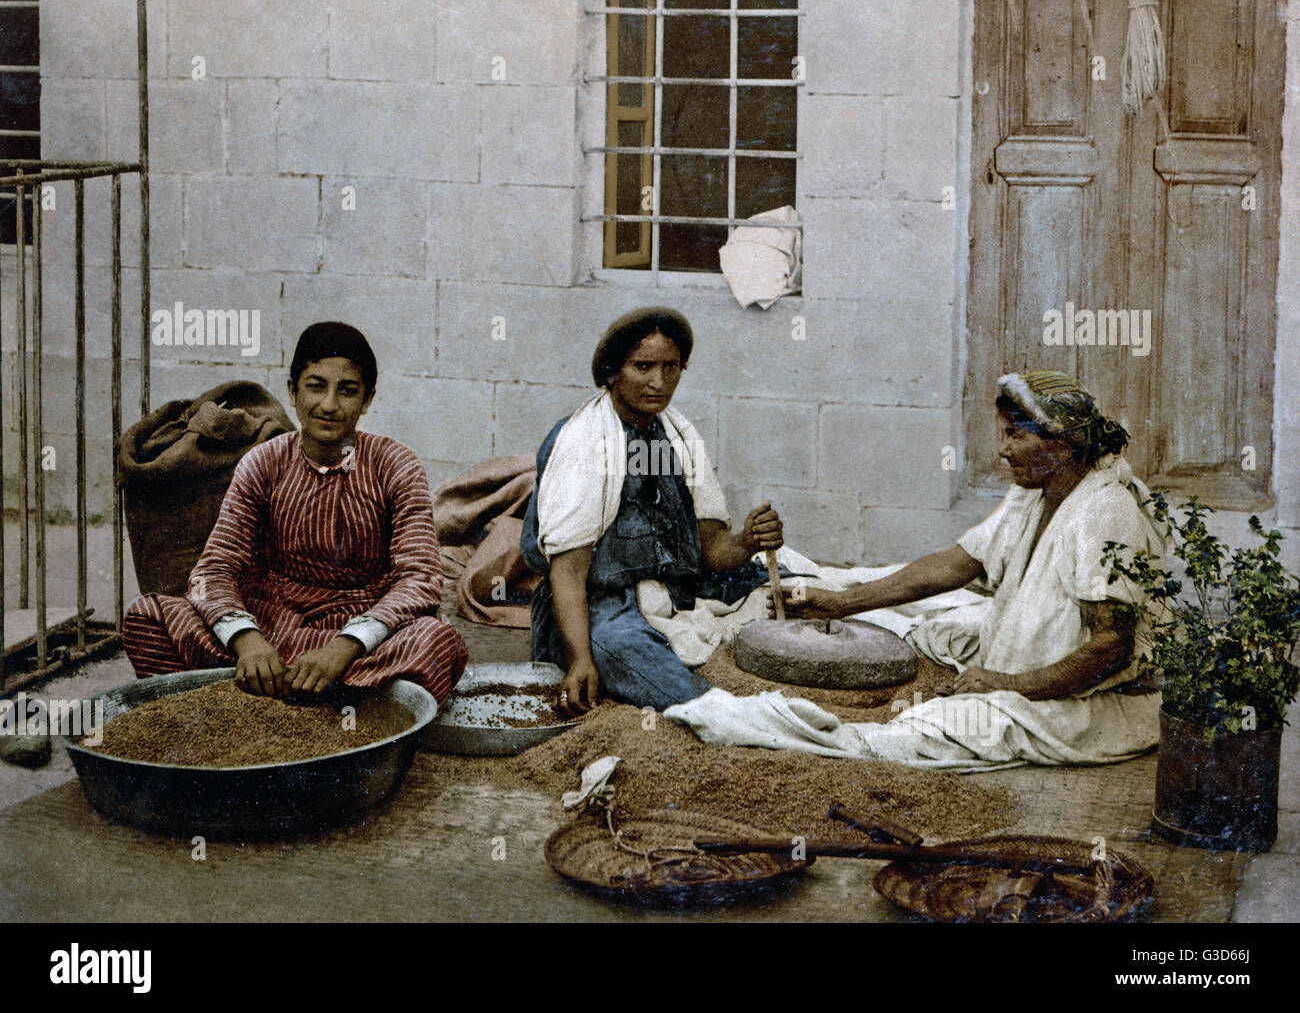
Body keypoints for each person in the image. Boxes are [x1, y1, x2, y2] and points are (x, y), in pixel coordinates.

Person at [667, 370, 1169, 769]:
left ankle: (747, 721)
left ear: (1059, 446)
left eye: (1016, 436)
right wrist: (844, 601)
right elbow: (957, 563)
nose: (1004, 449)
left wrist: (1004, 684)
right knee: (915, 630)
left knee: (908, 736)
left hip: (1084, 703)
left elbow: (1111, 647)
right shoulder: (1035, 493)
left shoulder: (1104, 515)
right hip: (1019, 664)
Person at [123, 322, 469, 702]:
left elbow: (419, 578)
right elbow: (214, 569)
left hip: (358, 639)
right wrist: (247, 641)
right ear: (293, 390)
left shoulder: (396, 465)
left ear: (367, 400)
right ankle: (299, 700)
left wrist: (344, 646)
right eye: (315, 386)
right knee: (147, 615)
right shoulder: (264, 461)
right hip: (270, 626)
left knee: (437, 643)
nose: (329, 405)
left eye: (347, 391)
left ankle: (275, 700)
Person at [520, 307, 783, 716]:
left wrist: (747, 541)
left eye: (671, 367)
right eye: (642, 366)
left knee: (791, 588)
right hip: (598, 604)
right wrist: (579, 661)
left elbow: (710, 549)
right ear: (611, 372)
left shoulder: (677, 435)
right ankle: (727, 714)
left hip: (674, 592)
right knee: (630, 653)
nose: (658, 382)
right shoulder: (584, 441)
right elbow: (568, 571)